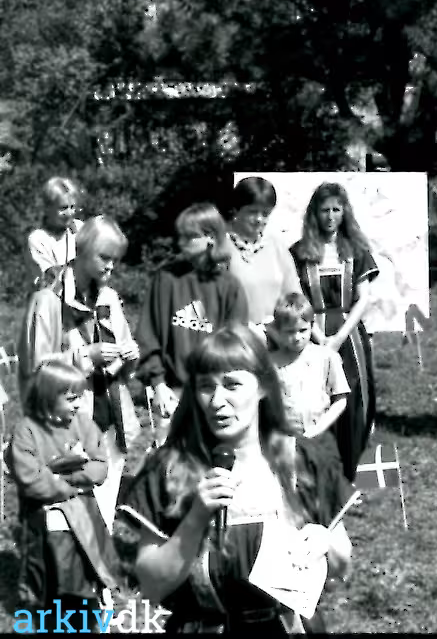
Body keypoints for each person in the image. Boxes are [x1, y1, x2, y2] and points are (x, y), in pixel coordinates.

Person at [116, 325, 355, 636]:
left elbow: (342, 565)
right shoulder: (169, 467)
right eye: (205, 386)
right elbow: (151, 585)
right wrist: (195, 518)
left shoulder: (300, 459)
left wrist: (324, 542)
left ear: (263, 388)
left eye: (232, 385)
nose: (217, 401)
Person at [19, 215, 140, 531]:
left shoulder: (109, 297)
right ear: (82, 250)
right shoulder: (48, 298)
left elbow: (123, 350)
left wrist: (129, 357)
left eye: (115, 260)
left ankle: (100, 571)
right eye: (104, 257)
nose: (111, 266)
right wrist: (85, 356)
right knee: (66, 508)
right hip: (66, 418)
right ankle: (68, 571)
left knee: (107, 490)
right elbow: (37, 367)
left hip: (110, 414)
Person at [6, 362, 120, 616]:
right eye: (71, 399)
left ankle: (92, 592)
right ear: (47, 399)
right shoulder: (27, 430)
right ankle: (57, 604)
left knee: (90, 555)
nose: (79, 404)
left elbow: (100, 467)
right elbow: (30, 479)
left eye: (80, 397)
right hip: (46, 511)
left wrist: (63, 475)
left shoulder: (84, 425)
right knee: (57, 559)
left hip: (82, 506)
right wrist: (68, 484)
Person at [137, 203, 249, 444]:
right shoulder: (166, 278)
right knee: (173, 471)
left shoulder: (229, 286)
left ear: (210, 237)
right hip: (171, 392)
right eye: (181, 236)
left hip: (214, 394)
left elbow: (235, 346)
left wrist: (222, 391)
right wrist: (157, 385)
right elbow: (148, 336)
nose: (181, 243)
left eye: (189, 237)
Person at [289, 183, 379, 482]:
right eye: (324, 210)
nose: (330, 216)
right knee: (313, 399)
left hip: (349, 336)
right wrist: (317, 336)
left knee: (353, 401)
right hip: (308, 334)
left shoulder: (356, 250)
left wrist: (338, 338)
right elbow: (297, 297)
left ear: (345, 212)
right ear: (315, 213)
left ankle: (349, 474)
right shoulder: (299, 253)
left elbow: (363, 298)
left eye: (336, 210)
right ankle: (315, 473)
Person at [267, 292, 349, 464]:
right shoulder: (270, 363)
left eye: (302, 330)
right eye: (290, 332)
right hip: (283, 443)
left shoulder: (326, 357)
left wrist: (318, 428)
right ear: (278, 330)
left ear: (312, 326)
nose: (297, 337)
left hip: (320, 439)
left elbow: (340, 399)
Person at [226, 177, 304, 331]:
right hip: (234, 341)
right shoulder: (220, 247)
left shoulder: (277, 247)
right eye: (252, 212)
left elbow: (294, 297)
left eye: (265, 213)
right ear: (235, 210)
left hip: (276, 340)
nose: (259, 219)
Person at [26, 176, 85, 291]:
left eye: (72, 207)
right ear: (47, 208)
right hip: (52, 302)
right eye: (63, 208)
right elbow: (52, 279)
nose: (69, 213)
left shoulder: (79, 228)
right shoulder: (38, 239)